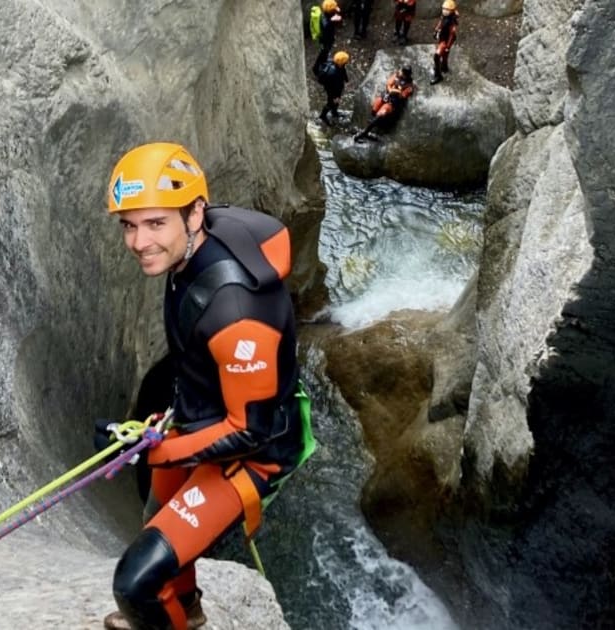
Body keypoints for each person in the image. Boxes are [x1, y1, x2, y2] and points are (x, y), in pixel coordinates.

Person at [101, 142, 312, 630]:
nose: (138, 242)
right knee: (158, 519)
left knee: (136, 584)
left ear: (195, 214)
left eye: (155, 224)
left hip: (253, 452)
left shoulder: (235, 311)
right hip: (204, 415)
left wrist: (155, 452)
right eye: (129, 226)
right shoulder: (191, 249)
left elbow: (251, 431)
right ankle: (188, 608)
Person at [354, 66, 415, 142]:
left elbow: (401, 95)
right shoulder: (397, 75)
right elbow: (389, 84)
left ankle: (364, 132)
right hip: (386, 96)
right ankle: (372, 124)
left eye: (401, 71)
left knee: (381, 113)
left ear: (405, 74)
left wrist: (394, 90)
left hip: (394, 102)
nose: (399, 71)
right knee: (375, 108)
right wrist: (392, 90)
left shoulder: (409, 86)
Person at [316, 50, 351, 126]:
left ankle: (334, 112)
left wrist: (346, 80)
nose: (347, 62)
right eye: (345, 61)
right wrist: (335, 97)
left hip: (334, 87)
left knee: (335, 101)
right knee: (331, 102)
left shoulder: (335, 64)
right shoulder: (334, 74)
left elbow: (343, 72)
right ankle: (323, 115)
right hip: (332, 90)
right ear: (342, 63)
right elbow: (334, 87)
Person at [431, 0, 459, 84]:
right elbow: (440, 23)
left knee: (437, 56)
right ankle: (444, 67)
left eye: (447, 10)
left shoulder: (451, 22)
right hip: (442, 38)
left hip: (445, 40)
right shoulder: (444, 17)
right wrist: (436, 30)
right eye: (444, 9)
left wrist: (447, 46)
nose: (444, 11)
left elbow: (452, 35)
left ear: (451, 10)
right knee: (444, 56)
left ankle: (438, 75)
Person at [313, 0, 344, 76]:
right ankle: (316, 68)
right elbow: (326, 26)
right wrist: (332, 21)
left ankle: (322, 63)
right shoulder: (326, 21)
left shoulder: (325, 14)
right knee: (323, 53)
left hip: (328, 39)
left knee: (325, 54)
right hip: (325, 41)